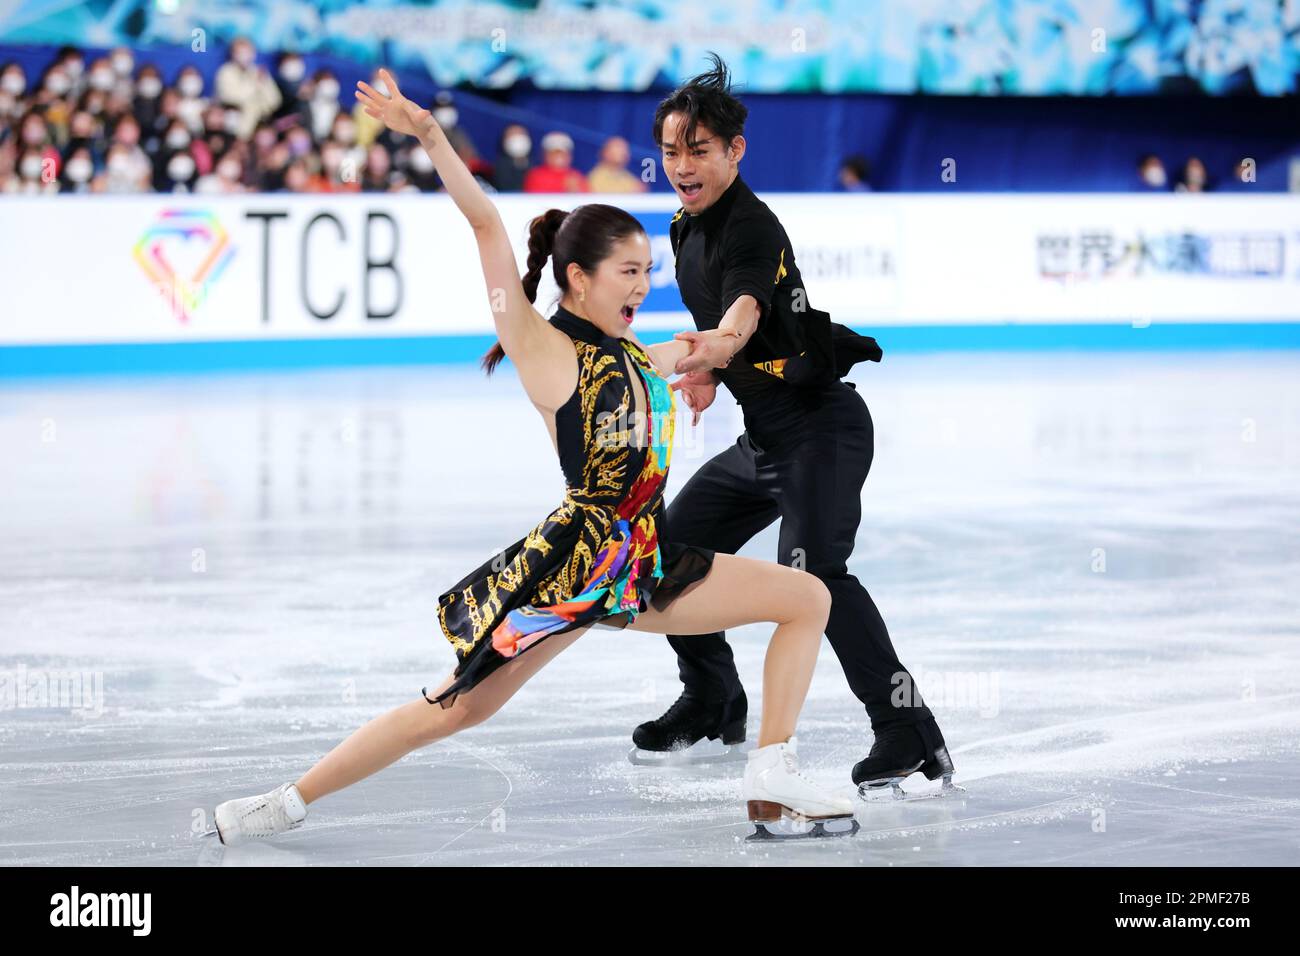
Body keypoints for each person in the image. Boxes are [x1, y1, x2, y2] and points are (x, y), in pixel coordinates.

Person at [210, 68, 856, 846]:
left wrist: (747, 349)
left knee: (804, 598)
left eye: (649, 273)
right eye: (629, 273)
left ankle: (770, 780)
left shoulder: (641, 357)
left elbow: (714, 337)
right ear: (578, 280)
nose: (644, 288)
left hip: (640, 563)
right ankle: (284, 800)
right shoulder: (545, 351)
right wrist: (430, 136)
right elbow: (486, 224)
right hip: (576, 564)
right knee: (454, 708)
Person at [631, 53, 957, 798]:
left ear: (735, 151)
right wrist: (711, 372)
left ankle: (906, 728)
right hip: (766, 441)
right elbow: (725, 325)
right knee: (673, 554)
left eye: (699, 151)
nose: (682, 166)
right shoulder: (686, 228)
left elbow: (740, 319)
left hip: (821, 431)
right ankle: (714, 698)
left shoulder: (751, 228)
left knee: (814, 578)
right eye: (671, 151)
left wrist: (700, 355)